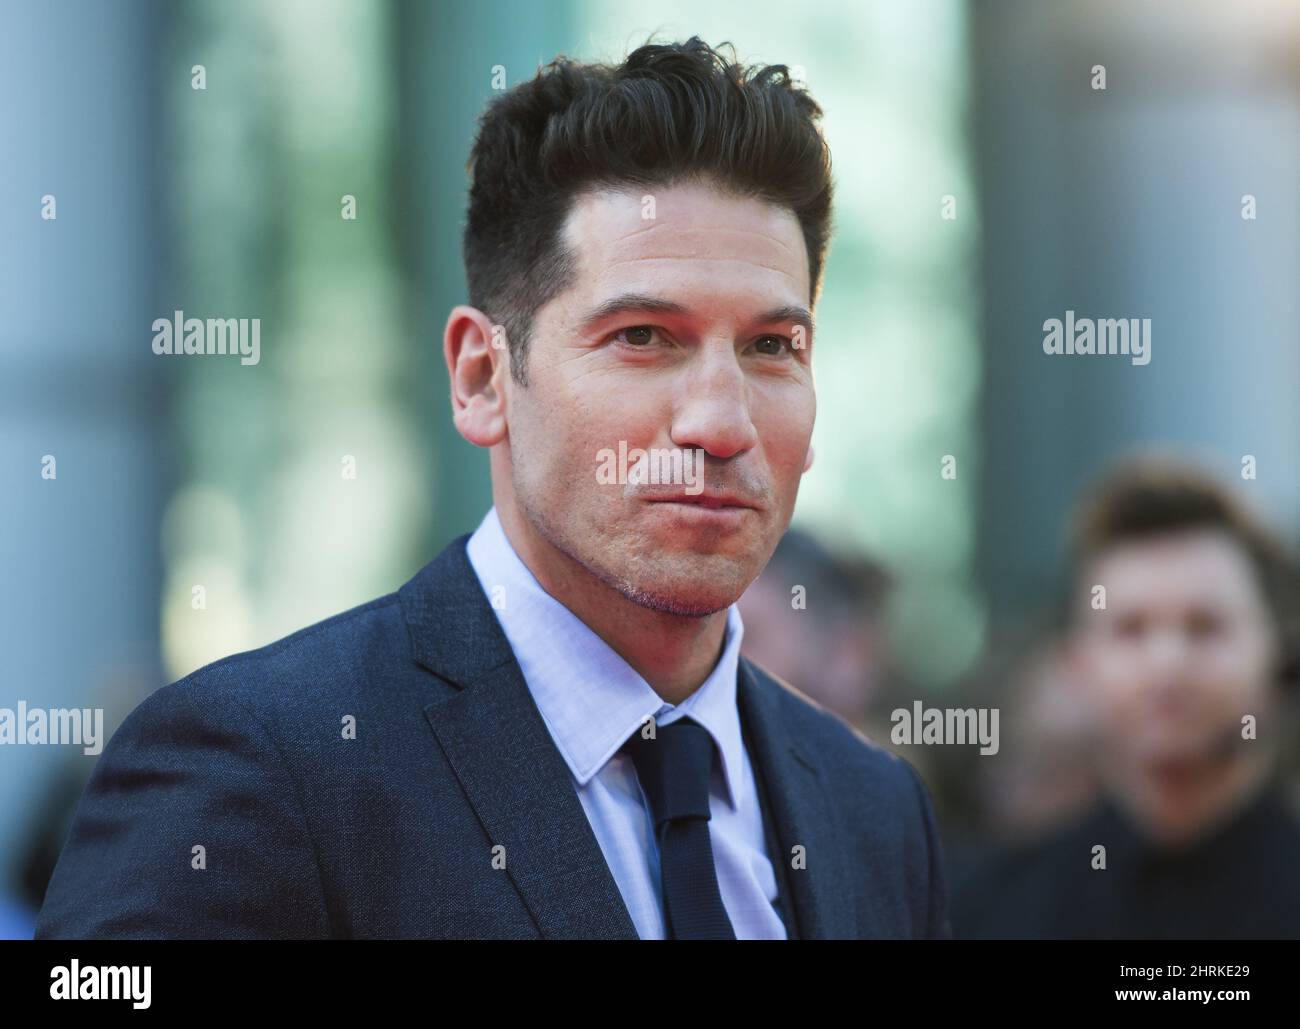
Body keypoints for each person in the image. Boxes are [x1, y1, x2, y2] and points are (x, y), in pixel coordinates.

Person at [36, 36, 949, 940]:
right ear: (480, 377)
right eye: (642, 336)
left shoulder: (872, 812)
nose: (721, 423)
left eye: (770, 348)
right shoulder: (258, 770)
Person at [954, 457, 1300, 938]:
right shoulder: (989, 910)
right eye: (1130, 629)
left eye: (1206, 627)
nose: (1166, 665)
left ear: (1279, 656)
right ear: (1076, 663)